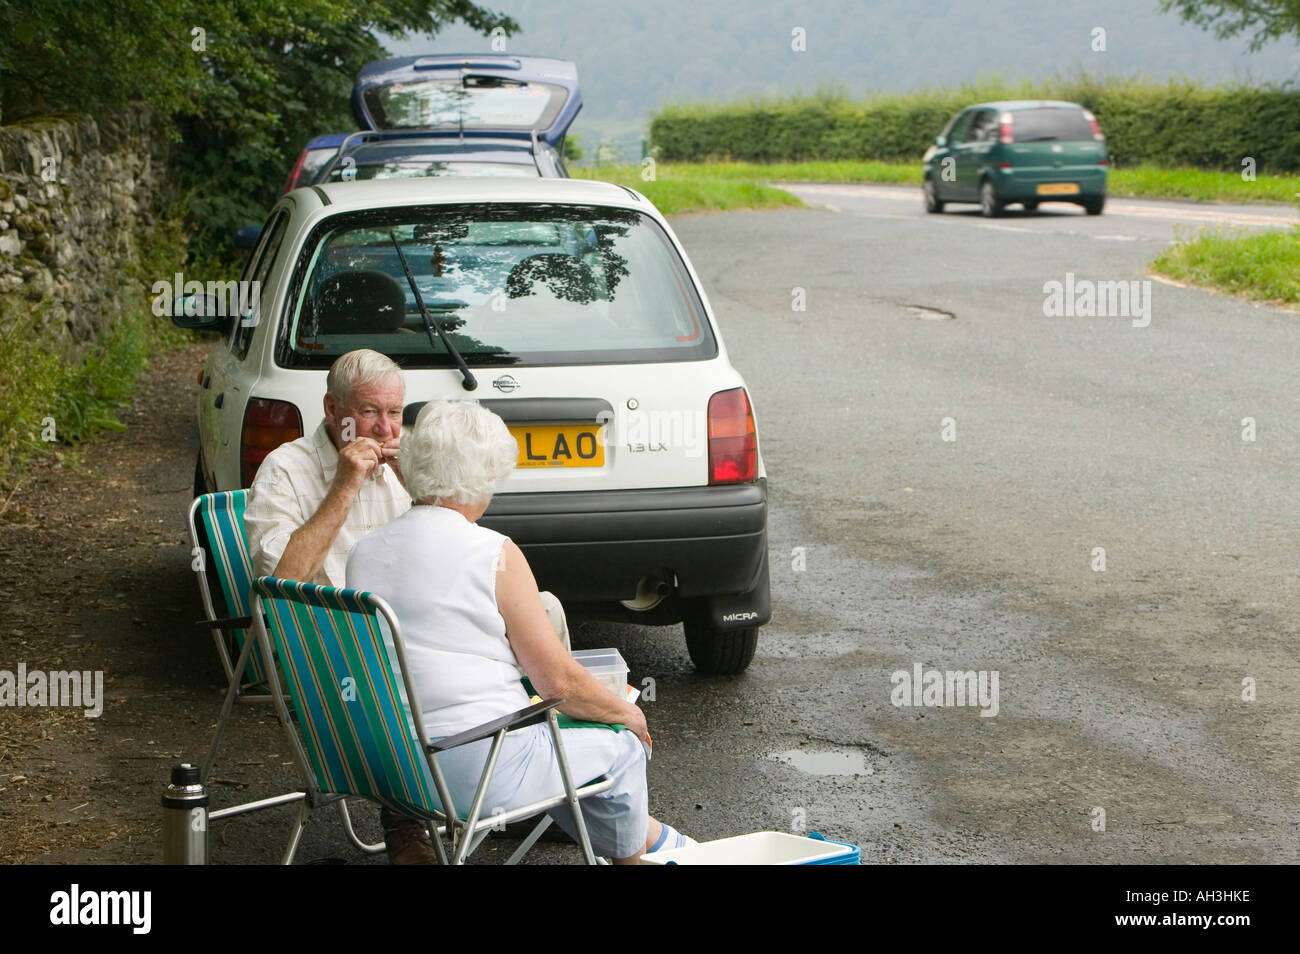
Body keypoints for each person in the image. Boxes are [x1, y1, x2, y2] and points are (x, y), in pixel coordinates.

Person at [346, 400, 693, 863]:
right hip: (469, 770)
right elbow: (560, 684)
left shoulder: (365, 551)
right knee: (620, 746)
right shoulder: (493, 553)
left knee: (567, 750)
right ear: (482, 477)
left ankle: (655, 844)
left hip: (386, 767)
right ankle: (644, 855)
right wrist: (627, 715)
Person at [243, 349, 432, 863]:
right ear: (332, 409)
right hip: (327, 637)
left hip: (414, 621)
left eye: (395, 413)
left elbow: (455, 543)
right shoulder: (286, 470)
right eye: (370, 412)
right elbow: (281, 582)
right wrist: (344, 486)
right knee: (401, 656)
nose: (386, 427)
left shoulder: (402, 459)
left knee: (537, 610)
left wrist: (420, 487)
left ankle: (522, 778)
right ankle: (406, 818)